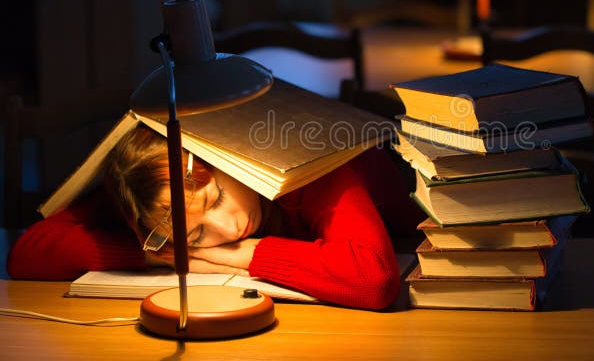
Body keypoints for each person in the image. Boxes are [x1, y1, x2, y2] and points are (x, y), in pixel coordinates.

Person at [7, 126, 420, 310]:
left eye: (216, 197)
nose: (227, 229)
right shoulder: (148, 184)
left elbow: (374, 278)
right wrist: (160, 254)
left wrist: (238, 255)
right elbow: (27, 253)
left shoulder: (309, 167)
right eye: (197, 233)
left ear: (227, 156)